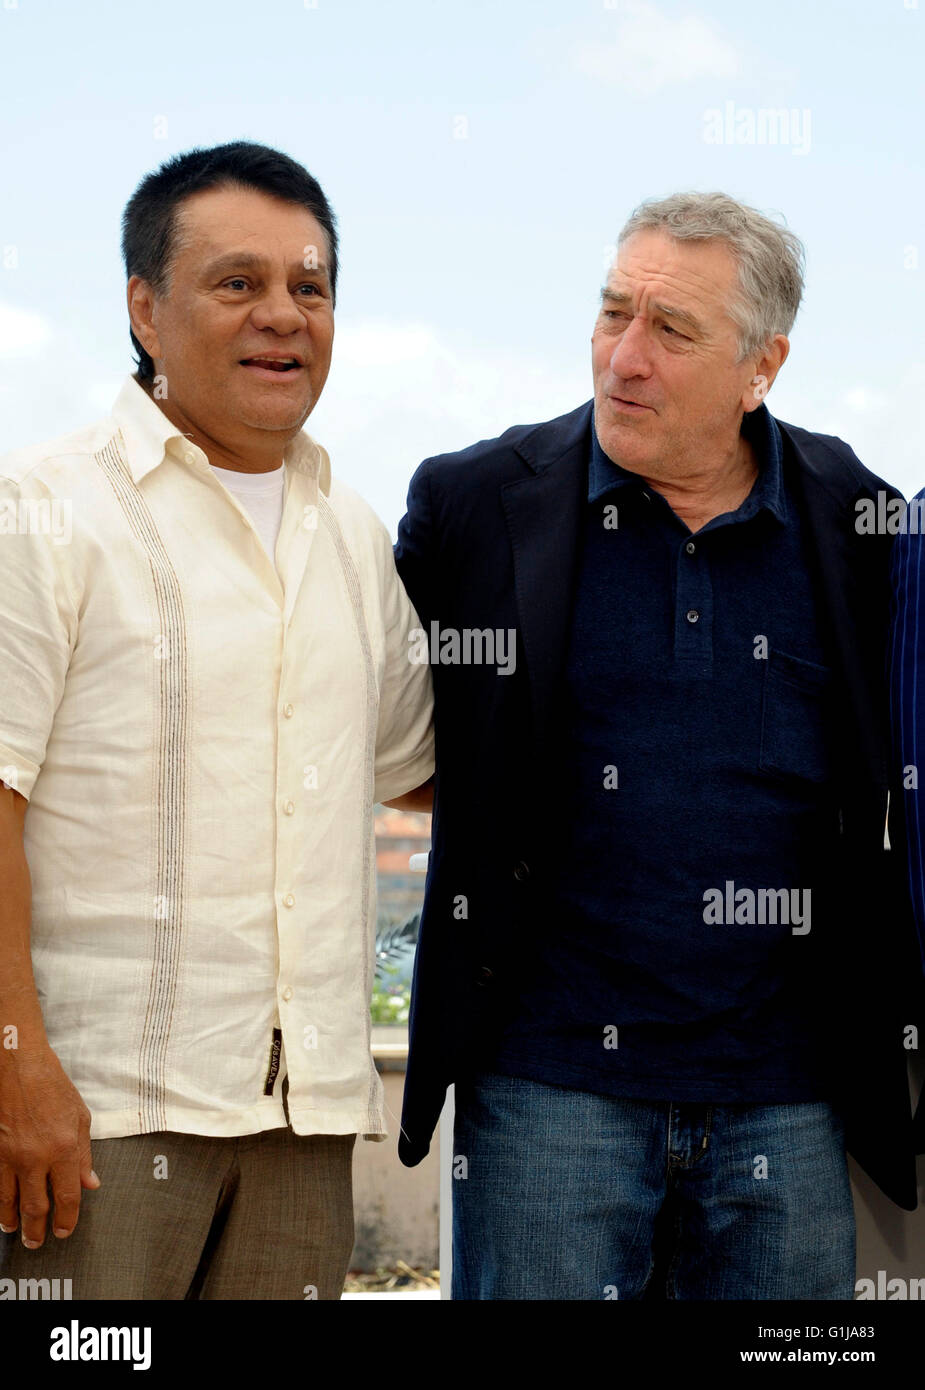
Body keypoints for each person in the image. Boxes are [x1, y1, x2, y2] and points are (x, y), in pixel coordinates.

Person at [393, 191, 922, 1300]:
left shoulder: (855, 516)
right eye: (611, 313)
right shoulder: (474, 504)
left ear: (760, 366)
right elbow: (392, 739)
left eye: (671, 330)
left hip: (789, 1092)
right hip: (546, 1088)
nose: (622, 357)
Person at [0, 141, 434, 1300]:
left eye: (311, 285)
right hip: (96, 1119)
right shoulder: (43, 508)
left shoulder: (349, 528)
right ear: (144, 307)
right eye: (237, 283)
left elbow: (419, 768)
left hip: (304, 1117)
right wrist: (16, 1070)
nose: (283, 316)